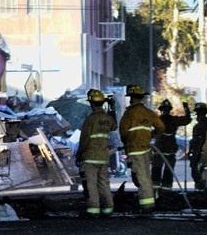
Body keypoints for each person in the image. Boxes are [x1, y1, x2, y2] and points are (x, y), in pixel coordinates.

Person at [118, 84, 163, 213]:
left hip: (135, 150)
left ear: (132, 98)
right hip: (146, 150)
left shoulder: (129, 113)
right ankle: (150, 201)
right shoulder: (148, 112)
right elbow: (161, 127)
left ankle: (147, 205)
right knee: (145, 176)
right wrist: (149, 135)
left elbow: (123, 133)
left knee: (141, 178)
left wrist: (127, 145)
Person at [75, 89, 116, 217]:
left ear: (92, 103)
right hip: (103, 157)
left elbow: (84, 139)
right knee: (104, 184)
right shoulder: (108, 118)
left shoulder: (90, 119)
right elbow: (114, 126)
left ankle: (93, 211)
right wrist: (112, 108)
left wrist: (79, 155)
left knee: (91, 185)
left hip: (90, 157)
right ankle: (108, 209)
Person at [152, 99, 190, 189]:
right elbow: (187, 120)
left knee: (160, 169)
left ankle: (159, 188)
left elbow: (186, 120)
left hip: (162, 149)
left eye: (167, 109)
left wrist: (186, 109)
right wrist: (186, 109)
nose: (166, 111)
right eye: (165, 109)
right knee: (162, 169)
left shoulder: (157, 120)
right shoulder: (171, 120)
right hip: (167, 149)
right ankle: (162, 188)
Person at [189, 103, 207, 191]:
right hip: (197, 151)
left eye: (199, 113)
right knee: (197, 172)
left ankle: (201, 190)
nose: (197, 115)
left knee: (198, 173)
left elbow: (201, 141)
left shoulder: (203, 125)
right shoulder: (198, 125)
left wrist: (197, 154)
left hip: (200, 152)